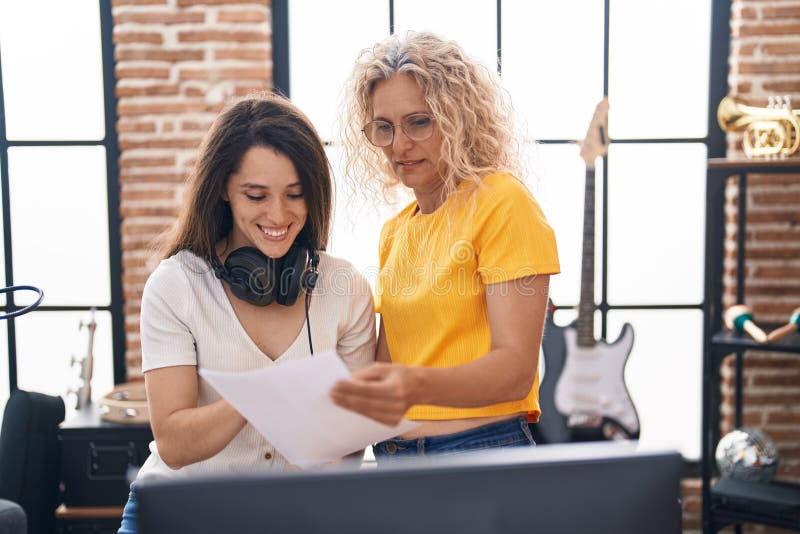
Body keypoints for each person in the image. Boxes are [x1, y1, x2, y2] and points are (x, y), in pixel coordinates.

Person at [118, 93, 376, 533]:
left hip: (290, 516)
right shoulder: (177, 284)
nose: (279, 214)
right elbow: (175, 442)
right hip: (175, 511)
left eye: (296, 195)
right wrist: (262, 396)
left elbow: (347, 442)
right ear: (223, 189)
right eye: (256, 195)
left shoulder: (343, 287)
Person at [330, 31, 560, 461]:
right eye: (384, 127)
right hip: (394, 454)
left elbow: (514, 371)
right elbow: (384, 373)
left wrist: (414, 385)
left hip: (479, 452)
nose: (398, 146)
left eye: (418, 121)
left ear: (459, 118)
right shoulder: (395, 232)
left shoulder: (502, 203)